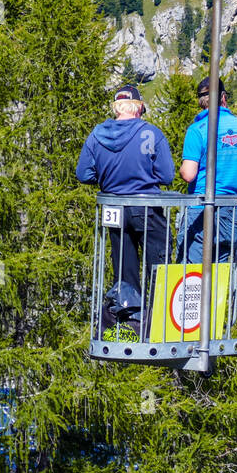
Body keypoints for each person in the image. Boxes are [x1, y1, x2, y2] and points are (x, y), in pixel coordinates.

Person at [76, 84, 174, 332]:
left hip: (114, 208)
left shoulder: (96, 135)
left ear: (116, 108)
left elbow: (83, 174)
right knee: (159, 261)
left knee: (124, 263)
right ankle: (161, 319)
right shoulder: (151, 133)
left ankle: (133, 319)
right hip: (147, 207)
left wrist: (107, 178)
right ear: (139, 108)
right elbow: (166, 175)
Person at [180, 77, 237, 263]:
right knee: (223, 269)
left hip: (200, 207)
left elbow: (188, 173)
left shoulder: (197, 130)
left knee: (192, 269)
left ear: (201, 102)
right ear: (223, 98)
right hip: (231, 208)